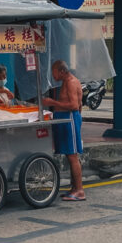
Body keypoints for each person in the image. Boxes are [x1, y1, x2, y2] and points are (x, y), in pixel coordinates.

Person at [42, 59, 86, 202]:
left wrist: (52, 103)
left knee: (72, 156)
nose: (53, 75)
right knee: (69, 155)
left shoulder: (71, 82)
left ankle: (79, 191)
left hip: (70, 119)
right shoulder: (65, 82)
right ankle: (74, 188)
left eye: (54, 72)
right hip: (67, 119)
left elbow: (74, 105)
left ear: (61, 71)